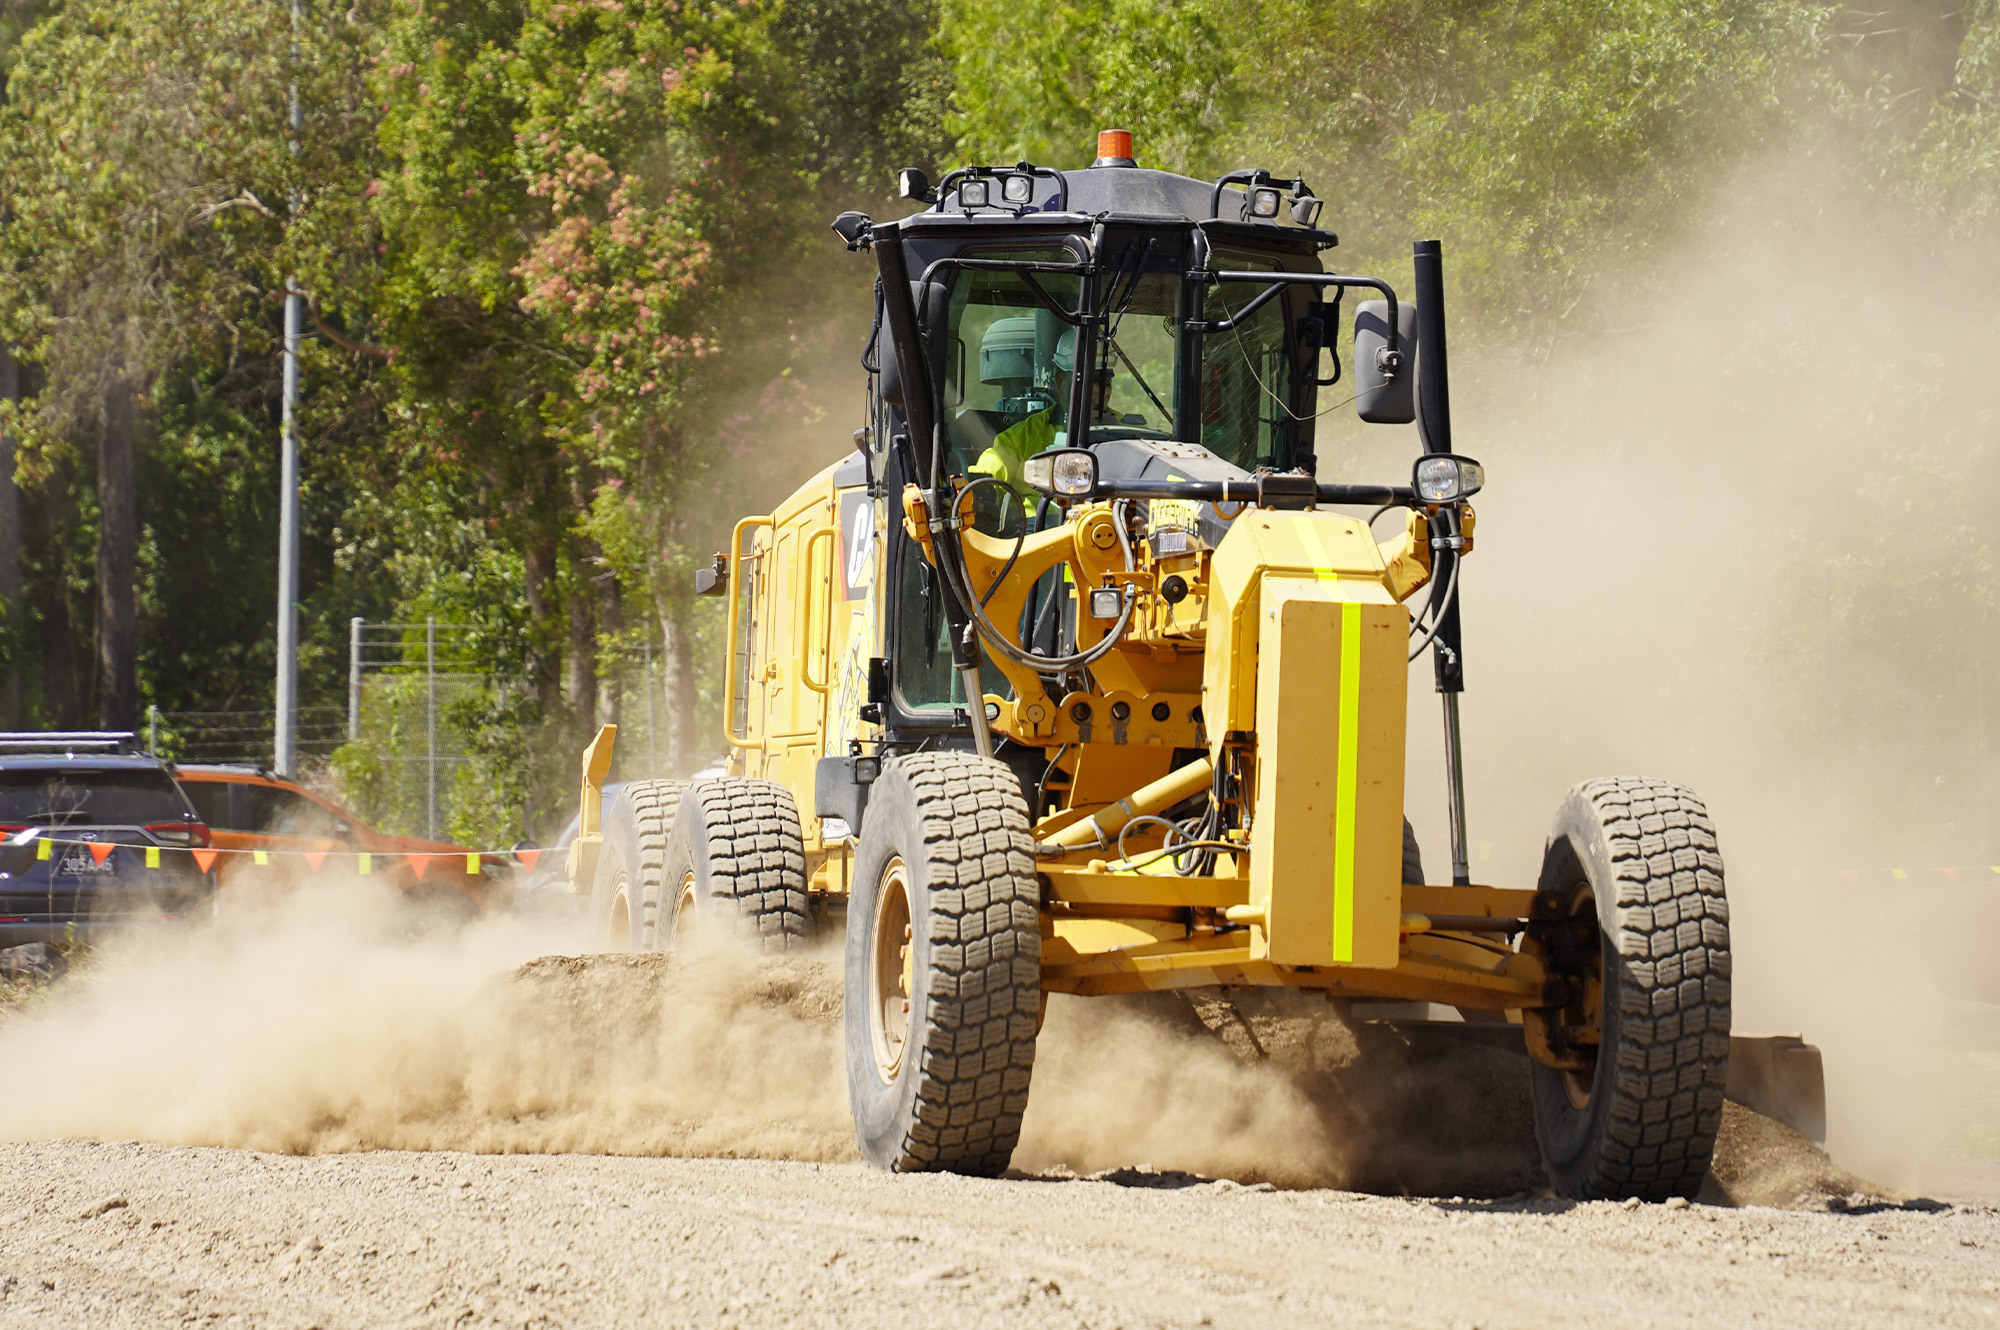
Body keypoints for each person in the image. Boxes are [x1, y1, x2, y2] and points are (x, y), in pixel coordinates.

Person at [970, 322, 1075, 500]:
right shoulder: (1021, 439)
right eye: (1091, 380)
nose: (1099, 390)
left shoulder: (1127, 435)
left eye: (1105, 380)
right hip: (1039, 528)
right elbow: (981, 481)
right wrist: (973, 490)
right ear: (1060, 381)